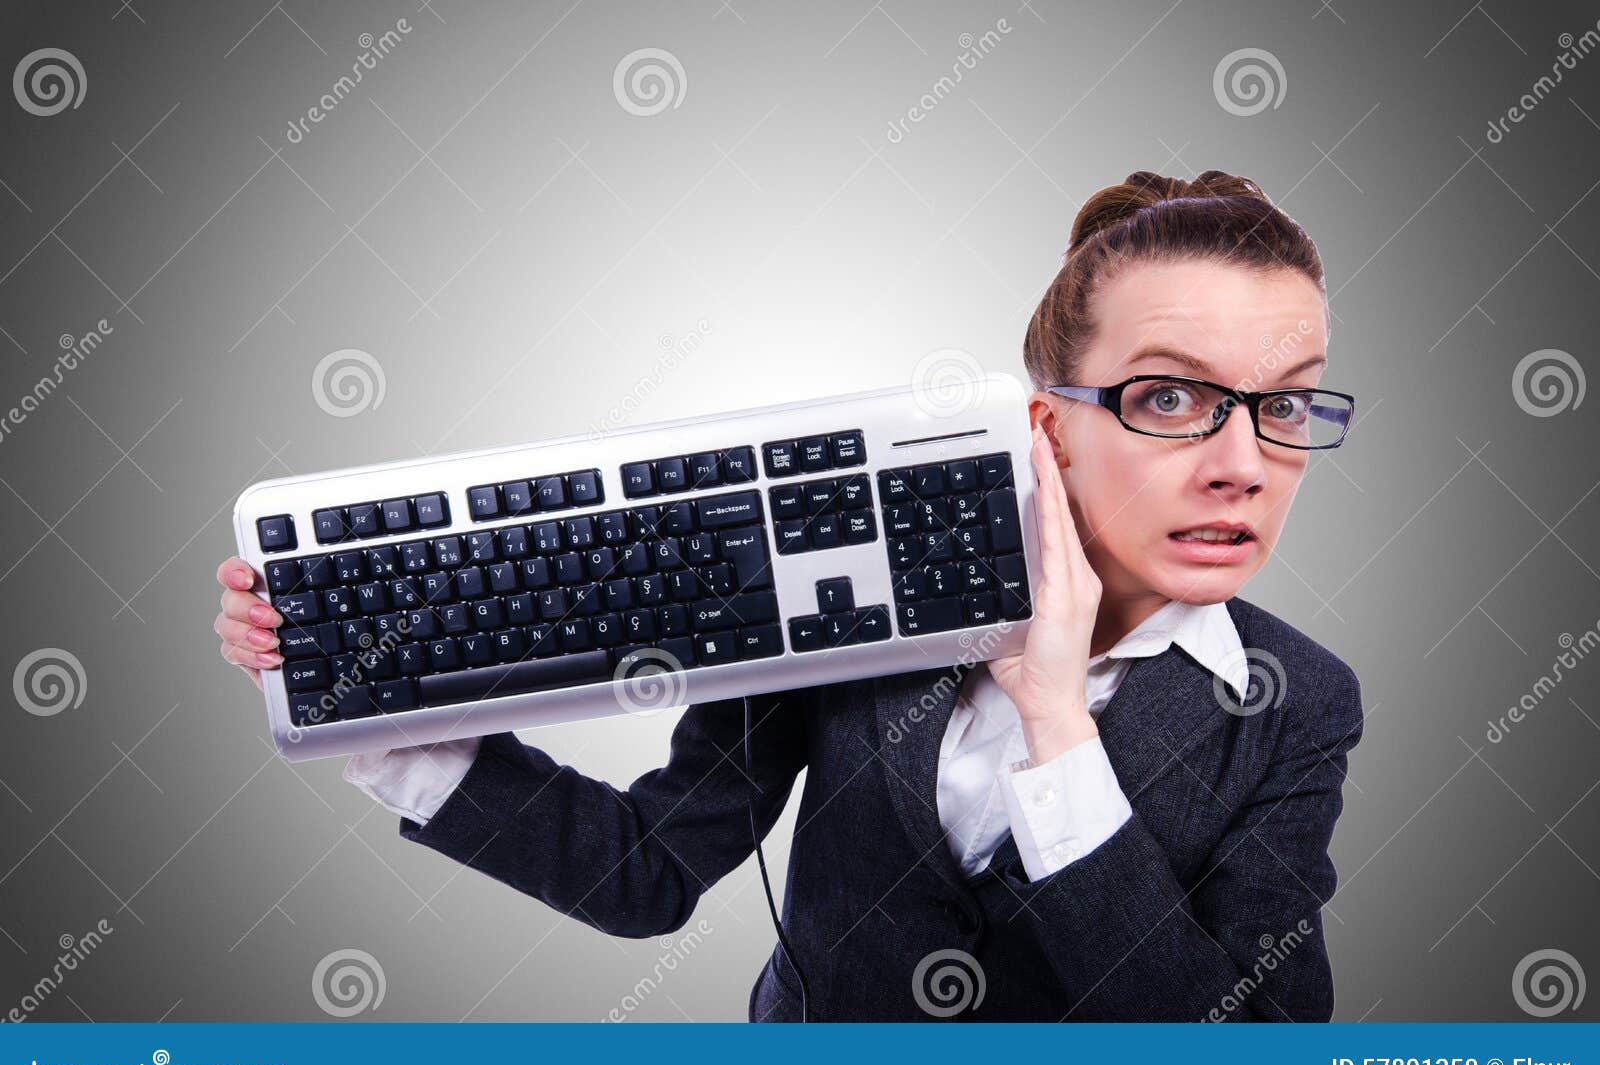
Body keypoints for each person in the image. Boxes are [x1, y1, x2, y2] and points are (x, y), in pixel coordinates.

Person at [214, 170, 1364, 1021]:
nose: (1244, 462)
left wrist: (1056, 721)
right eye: (1170, 397)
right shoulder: (860, 595)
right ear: (1044, 426)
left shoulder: (1295, 703)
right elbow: (643, 874)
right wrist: (363, 691)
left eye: (1289, 405)